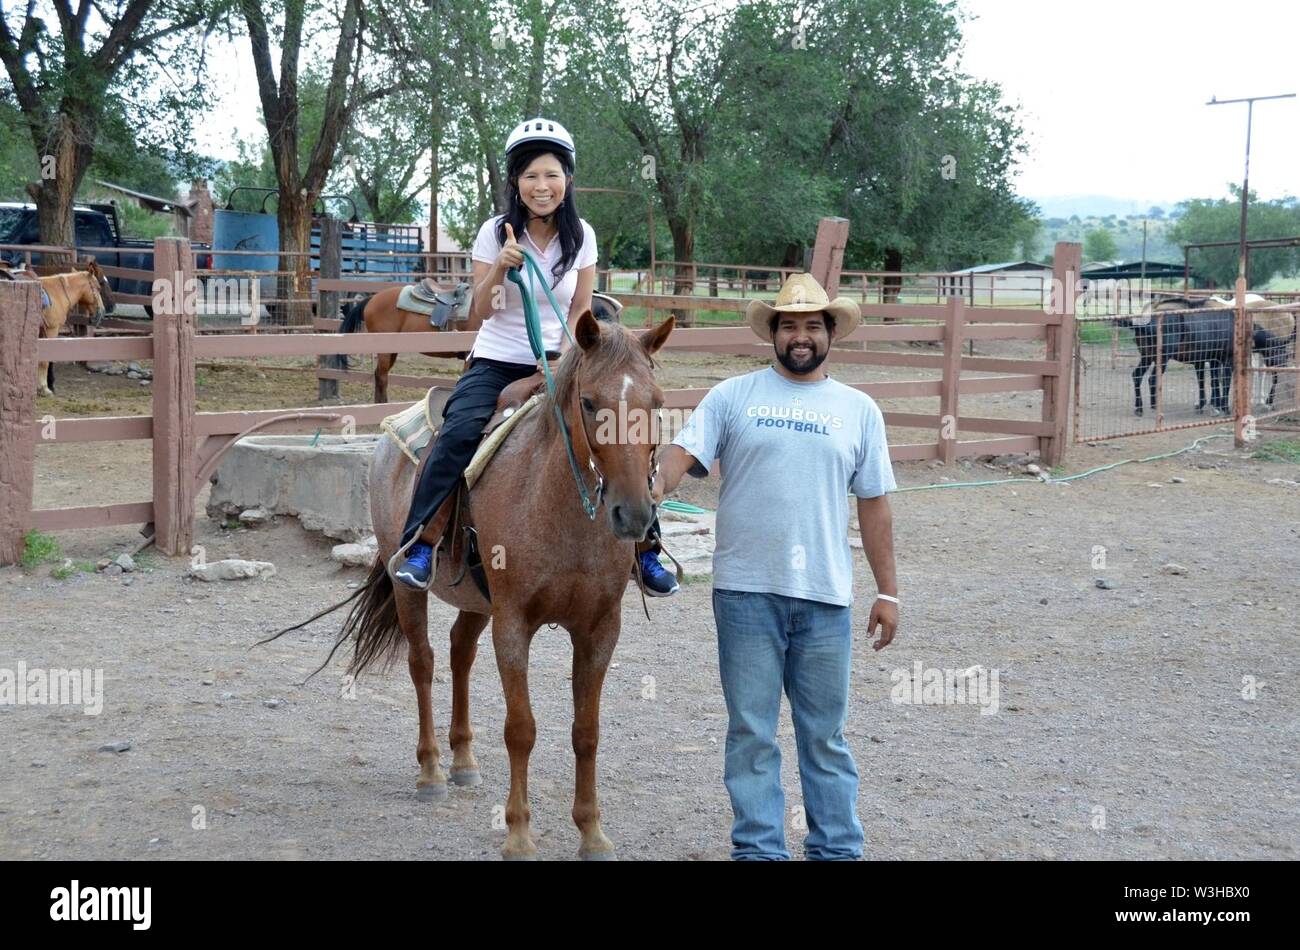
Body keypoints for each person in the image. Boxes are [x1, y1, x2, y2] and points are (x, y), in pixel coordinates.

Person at [652, 272, 899, 860]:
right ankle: (759, 850)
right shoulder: (733, 397)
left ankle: (836, 850)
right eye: (789, 325)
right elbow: (681, 455)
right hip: (745, 594)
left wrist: (888, 592)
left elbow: (875, 505)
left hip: (825, 596)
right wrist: (649, 488)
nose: (801, 335)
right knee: (751, 734)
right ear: (774, 333)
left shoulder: (859, 410)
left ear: (831, 332)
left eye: (813, 324)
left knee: (825, 737)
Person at [393, 117, 678, 596]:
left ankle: (645, 547)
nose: (540, 186)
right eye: (529, 176)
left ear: (567, 179)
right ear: (515, 182)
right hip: (496, 360)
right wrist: (499, 270)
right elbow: (479, 312)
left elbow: (580, 311)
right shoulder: (494, 233)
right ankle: (422, 541)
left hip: (563, 358)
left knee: (626, 427)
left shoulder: (581, 235)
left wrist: (567, 365)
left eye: (550, 174)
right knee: (458, 432)